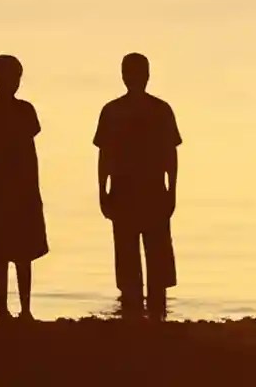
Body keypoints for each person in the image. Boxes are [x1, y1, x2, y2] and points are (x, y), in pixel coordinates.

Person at [93, 53, 182, 319]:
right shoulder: (120, 111)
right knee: (134, 256)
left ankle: (143, 312)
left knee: (148, 257)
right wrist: (102, 191)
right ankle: (145, 312)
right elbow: (105, 155)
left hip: (145, 191)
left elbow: (170, 155)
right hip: (133, 191)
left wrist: (172, 190)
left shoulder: (151, 110)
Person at [0, 55, 49, 321]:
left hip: (22, 191)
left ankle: (24, 309)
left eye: (15, 77)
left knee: (23, 254)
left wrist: (35, 192)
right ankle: (4, 308)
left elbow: (30, 154)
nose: (12, 83)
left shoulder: (25, 111)